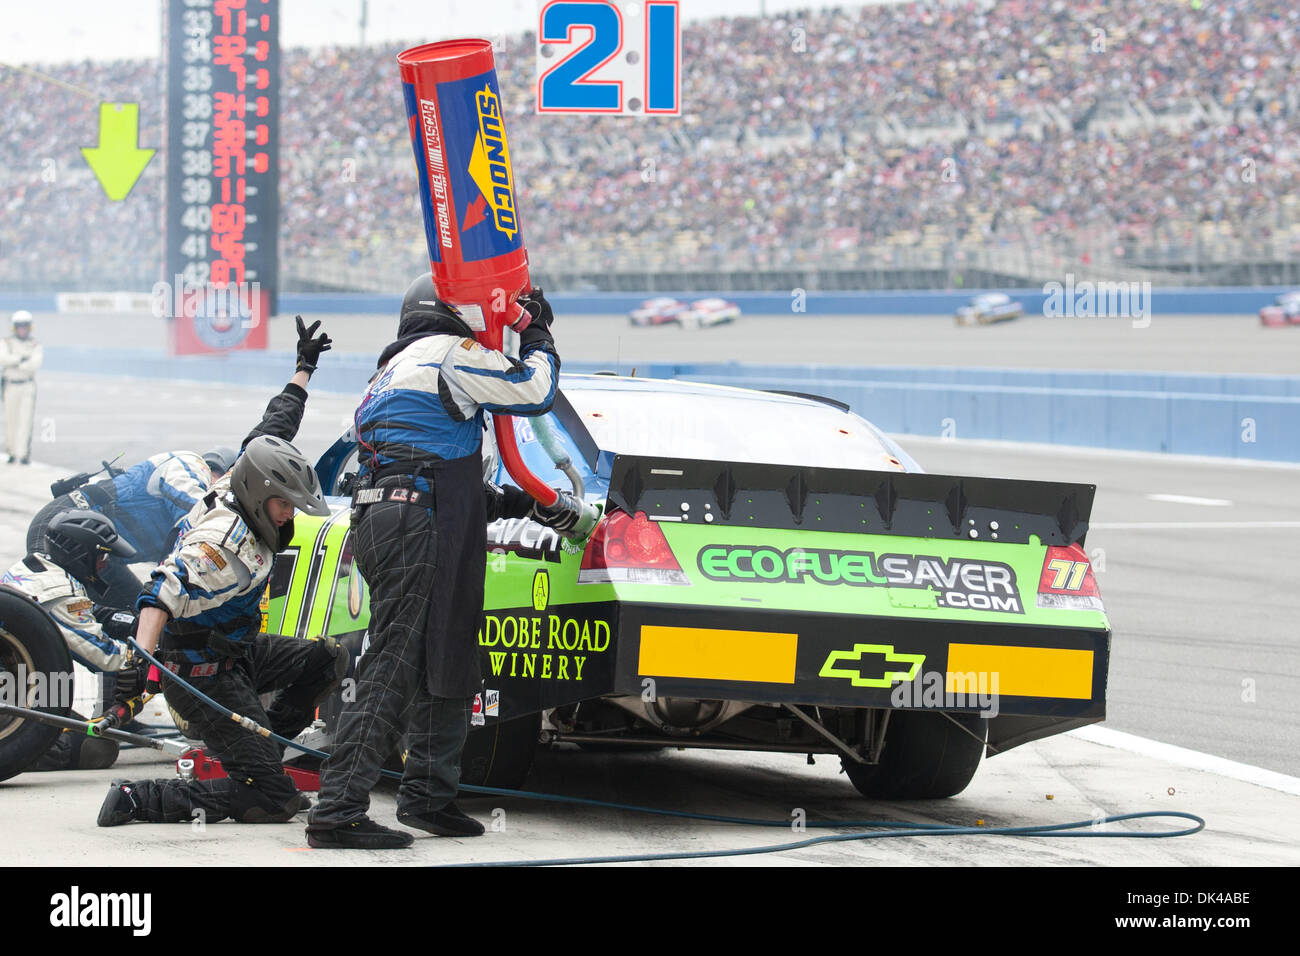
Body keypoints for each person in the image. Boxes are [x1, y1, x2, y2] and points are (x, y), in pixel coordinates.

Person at [305, 277, 595, 849]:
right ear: (453, 314)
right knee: (393, 667)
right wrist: (537, 331)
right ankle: (336, 811)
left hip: (397, 517)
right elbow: (533, 388)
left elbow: (442, 471)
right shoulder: (448, 355)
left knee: (451, 656)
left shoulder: (387, 373)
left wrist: (527, 504)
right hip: (418, 523)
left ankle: (429, 800)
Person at [96, 319, 349, 827]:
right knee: (274, 805)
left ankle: (258, 753)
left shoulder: (246, 474)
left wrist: (304, 369)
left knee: (327, 657)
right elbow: (160, 590)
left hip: (238, 652)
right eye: (285, 506)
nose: (290, 516)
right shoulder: (222, 546)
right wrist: (145, 659)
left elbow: (274, 427)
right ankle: (139, 796)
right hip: (200, 674)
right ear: (260, 496)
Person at [25, 317, 321, 608]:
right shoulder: (188, 466)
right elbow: (196, 517)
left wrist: (304, 370)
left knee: (132, 617)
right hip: (61, 529)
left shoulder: (230, 484)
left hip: (98, 554)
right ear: (220, 470)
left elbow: (276, 424)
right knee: (60, 612)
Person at [0, 510, 140, 771]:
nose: (104, 563)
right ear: (79, 552)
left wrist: (128, 620)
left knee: (83, 730)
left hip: (15, 687)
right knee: (97, 748)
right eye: (101, 554)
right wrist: (154, 653)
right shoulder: (59, 592)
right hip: (10, 695)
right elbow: (107, 659)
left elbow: (78, 614)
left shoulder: (34, 567)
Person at [0, 310, 41, 464]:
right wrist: (21, 359)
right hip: (10, 385)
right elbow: (2, 359)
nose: (22, 329)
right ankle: (12, 452)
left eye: (25, 326)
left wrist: (14, 362)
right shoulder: (6, 342)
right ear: (14, 327)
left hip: (27, 385)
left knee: (25, 420)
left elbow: (34, 365)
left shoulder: (35, 344)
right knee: (11, 420)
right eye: (20, 326)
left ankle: (22, 454)